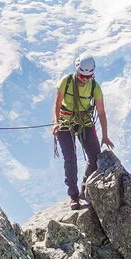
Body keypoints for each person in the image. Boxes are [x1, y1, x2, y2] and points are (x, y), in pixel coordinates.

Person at [52, 56, 113, 207]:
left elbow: (101, 112)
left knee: (95, 156)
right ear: (76, 71)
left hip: (84, 122)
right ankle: (73, 195)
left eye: (88, 76)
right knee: (70, 158)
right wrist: (56, 123)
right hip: (65, 123)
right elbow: (57, 105)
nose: (85, 79)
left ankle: (85, 189)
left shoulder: (95, 87)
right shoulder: (65, 82)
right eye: (81, 76)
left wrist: (105, 136)